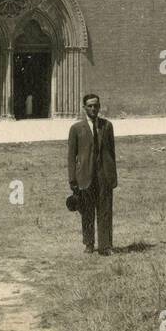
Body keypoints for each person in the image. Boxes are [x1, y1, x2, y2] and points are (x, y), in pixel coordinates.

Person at [68, 93, 117, 255]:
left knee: (105, 210)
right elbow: (71, 156)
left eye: (96, 105)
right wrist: (72, 179)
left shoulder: (107, 126)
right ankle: (89, 244)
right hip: (85, 176)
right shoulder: (76, 129)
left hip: (104, 175)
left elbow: (112, 152)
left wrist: (113, 177)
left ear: (99, 106)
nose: (93, 108)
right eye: (90, 106)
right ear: (84, 108)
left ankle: (105, 246)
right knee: (87, 211)